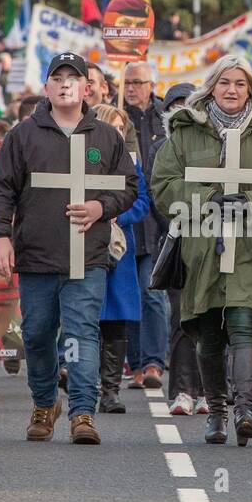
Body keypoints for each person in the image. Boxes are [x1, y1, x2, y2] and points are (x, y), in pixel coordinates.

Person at [151, 54, 252, 446]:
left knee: (242, 323)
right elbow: (164, 185)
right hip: (203, 246)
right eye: (224, 83)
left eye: (239, 83)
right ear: (212, 88)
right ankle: (216, 411)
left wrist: (250, 203)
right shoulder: (186, 133)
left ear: (250, 89)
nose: (232, 90)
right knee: (208, 333)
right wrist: (209, 198)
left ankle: (244, 410)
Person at [0, 53, 138, 445]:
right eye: (58, 77)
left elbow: (129, 187)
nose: (66, 83)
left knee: (81, 333)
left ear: (88, 87)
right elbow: (1, 188)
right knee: (37, 334)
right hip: (36, 255)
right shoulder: (23, 135)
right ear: (48, 87)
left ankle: (83, 413)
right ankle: (43, 403)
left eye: (75, 77)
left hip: (87, 256)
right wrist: (0, 235)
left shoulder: (107, 137)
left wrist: (101, 207)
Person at [90, 103, 152, 413]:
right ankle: (86, 387)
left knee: (115, 323)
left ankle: (111, 390)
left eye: (120, 127)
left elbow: (142, 201)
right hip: (85, 244)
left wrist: (118, 216)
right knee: (86, 320)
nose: (116, 132)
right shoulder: (83, 156)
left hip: (118, 250)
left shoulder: (131, 162)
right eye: (110, 126)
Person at [156, 83, 210, 417]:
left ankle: (207, 391)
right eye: (175, 105)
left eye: (188, 105)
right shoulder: (164, 147)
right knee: (181, 321)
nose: (182, 111)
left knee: (210, 322)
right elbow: (159, 193)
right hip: (178, 242)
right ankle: (180, 391)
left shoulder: (213, 146)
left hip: (211, 242)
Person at [120, 61, 170, 391]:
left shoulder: (165, 119)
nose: (132, 89)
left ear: (151, 85)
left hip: (155, 222)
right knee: (130, 295)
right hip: (125, 219)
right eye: (127, 83)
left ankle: (153, 362)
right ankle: (135, 363)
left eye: (138, 82)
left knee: (152, 294)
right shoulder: (114, 117)